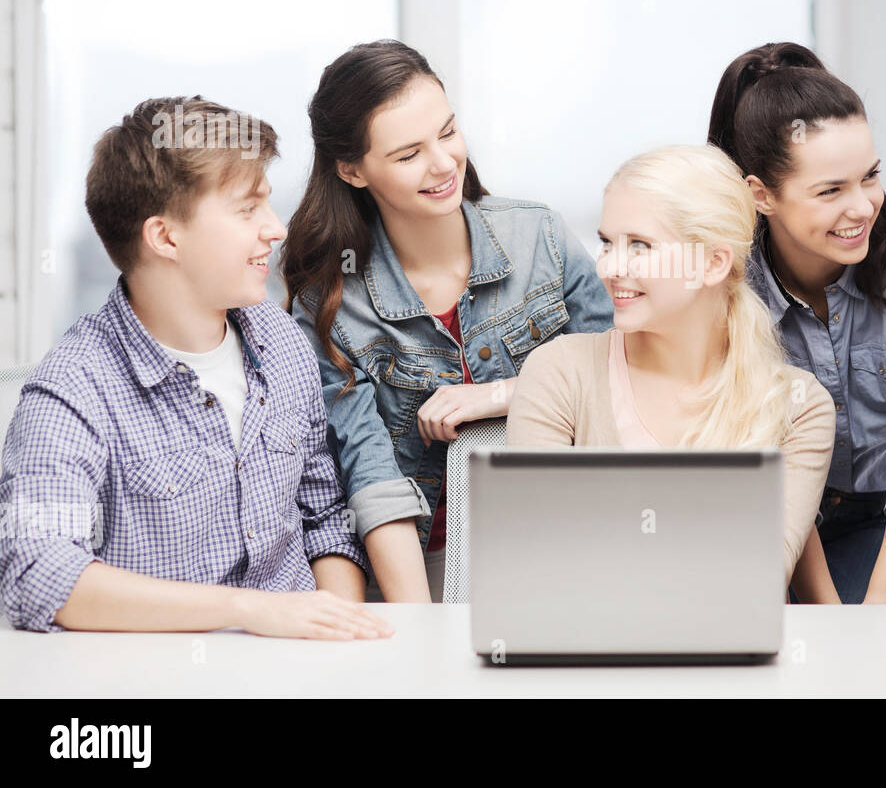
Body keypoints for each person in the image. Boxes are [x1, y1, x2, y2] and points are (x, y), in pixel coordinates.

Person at [0, 97, 386, 639]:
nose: (275, 229)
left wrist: (335, 631)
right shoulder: (73, 388)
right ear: (165, 237)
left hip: (300, 668)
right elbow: (38, 574)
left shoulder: (282, 341)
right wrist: (248, 610)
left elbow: (325, 521)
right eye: (247, 209)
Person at [282, 40, 613, 602]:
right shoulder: (331, 304)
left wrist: (501, 394)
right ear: (353, 171)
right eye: (408, 154)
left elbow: (620, 375)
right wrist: (419, 626)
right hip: (417, 564)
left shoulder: (542, 238)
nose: (442, 164)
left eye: (448, 132)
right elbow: (371, 475)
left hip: (564, 541)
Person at [507, 145, 836, 594]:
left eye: (639, 245)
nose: (609, 267)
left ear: (713, 263)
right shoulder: (559, 372)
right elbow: (536, 563)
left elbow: (756, 583)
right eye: (608, 243)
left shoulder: (799, 406)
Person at [708, 42, 886, 604]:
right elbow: (758, 458)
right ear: (761, 194)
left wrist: (880, 601)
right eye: (830, 191)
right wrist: (832, 616)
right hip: (782, 518)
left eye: (870, 177)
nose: (863, 207)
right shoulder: (727, 273)